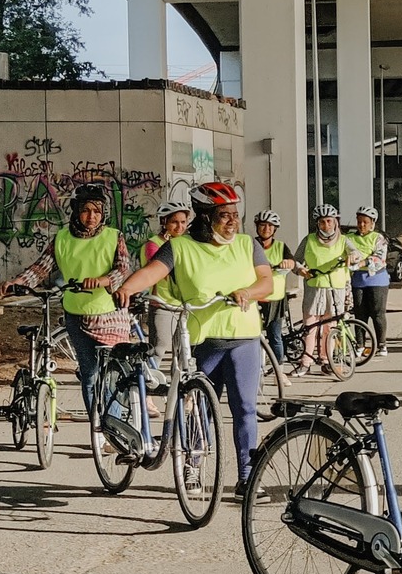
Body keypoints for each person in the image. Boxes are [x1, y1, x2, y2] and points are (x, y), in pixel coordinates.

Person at [118, 181, 277, 495]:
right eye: (224, 215)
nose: (233, 221)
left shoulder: (247, 244)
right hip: (202, 341)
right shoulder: (180, 246)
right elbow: (152, 271)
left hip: (243, 338)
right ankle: (193, 465)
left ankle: (247, 477)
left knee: (244, 408)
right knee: (198, 406)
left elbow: (267, 281)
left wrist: (248, 291)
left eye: (235, 214)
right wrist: (127, 288)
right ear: (205, 217)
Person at [0, 182, 134, 417]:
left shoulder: (114, 237)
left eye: (97, 211)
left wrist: (102, 280)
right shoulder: (61, 238)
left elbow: (123, 269)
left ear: (104, 214)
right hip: (76, 315)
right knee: (89, 375)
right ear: (76, 210)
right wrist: (17, 283)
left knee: (111, 375)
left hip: (109, 315)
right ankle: (98, 429)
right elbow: (41, 268)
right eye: (86, 210)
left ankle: (115, 425)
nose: (91, 216)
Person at [294, 203, 353, 374]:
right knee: (310, 326)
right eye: (322, 222)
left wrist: (353, 256)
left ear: (335, 222)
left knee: (330, 327)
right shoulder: (309, 239)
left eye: (329, 221)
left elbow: (355, 253)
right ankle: (305, 362)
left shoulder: (343, 240)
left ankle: (327, 361)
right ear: (317, 224)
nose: (326, 225)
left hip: (336, 288)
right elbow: (295, 260)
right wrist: (300, 270)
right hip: (314, 287)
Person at [142, 189, 192, 385]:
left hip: (185, 304)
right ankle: (147, 391)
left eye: (183, 222)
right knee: (159, 348)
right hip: (162, 304)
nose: (179, 226)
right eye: (174, 222)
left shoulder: (188, 243)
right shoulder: (153, 244)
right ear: (164, 223)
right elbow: (164, 270)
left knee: (184, 351)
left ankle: (181, 391)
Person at [253, 210, 297, 366]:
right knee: (252, 335)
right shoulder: (250, 244)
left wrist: (288, 263)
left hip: (275, 299)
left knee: (275, 336)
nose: (266, 229)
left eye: (270, 226)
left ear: (275, 229)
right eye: (263, 225)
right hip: (255, 296)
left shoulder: (281, 246)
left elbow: (292, 262)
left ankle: (279, 370)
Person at [346, 206, 391, 356]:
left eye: (365, 222)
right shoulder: (350, 238)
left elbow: (379, 257)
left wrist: (362, 263)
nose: (362, 225)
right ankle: (360, 345)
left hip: (377, 280)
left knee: (377, 313)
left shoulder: (378, 238)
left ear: (372, 223)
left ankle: (381, 344)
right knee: (360, 314)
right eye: (359, 222)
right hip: (357, 280)